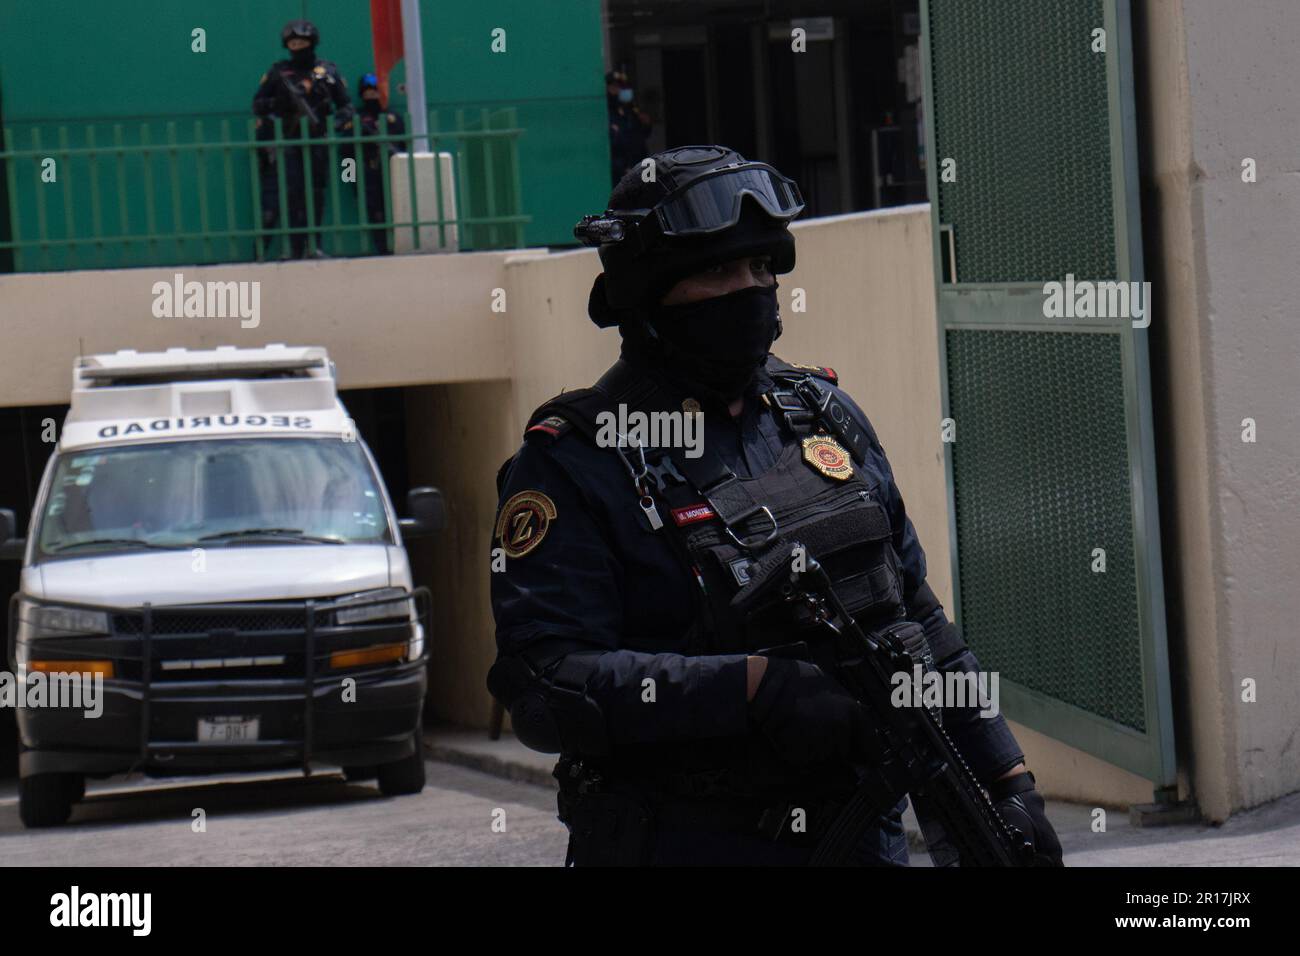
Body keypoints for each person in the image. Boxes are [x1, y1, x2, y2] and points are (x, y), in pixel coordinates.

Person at [487, 145, 1065, 867]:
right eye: (720, 272)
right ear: (648, 297)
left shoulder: (822, 417)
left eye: (763, 269)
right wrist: (754, 690)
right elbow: (547, 686)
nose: (752, 290)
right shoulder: (577, 461)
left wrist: (1007, 780)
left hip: (863, 841)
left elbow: (914, 615)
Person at [252, 19, 354, 258]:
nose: (298, 47)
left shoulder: (327, 72)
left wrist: (334, 126)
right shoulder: (279, 72)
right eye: (293, 43)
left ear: (312, 43)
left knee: (316, 193)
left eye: (302, 42)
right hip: (290, 142)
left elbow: (347, 107)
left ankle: (314, 245)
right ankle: (294, 248)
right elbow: (258, 105)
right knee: (292, 194)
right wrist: (282, 103)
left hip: (318, 141)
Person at [345, 72, 406, 255]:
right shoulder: (355, 119)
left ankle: (401, 247)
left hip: (393, 172)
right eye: (367, 92)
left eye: (375, 91)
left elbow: (404, 146)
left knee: (398, 211)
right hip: (368, 173)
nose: (372, 96)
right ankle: (383, 249)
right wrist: (350, 180)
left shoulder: (393, 117)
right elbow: (346, 153)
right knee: (376, 213)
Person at [606, 69, 652, 187]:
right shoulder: (607, 112)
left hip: (640, 163)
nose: (621, 91)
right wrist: (623, 169)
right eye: (616, 87)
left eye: (623, 87)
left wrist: (646, 124)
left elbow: (642, 135)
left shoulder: (630, 110)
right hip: (620, 170)